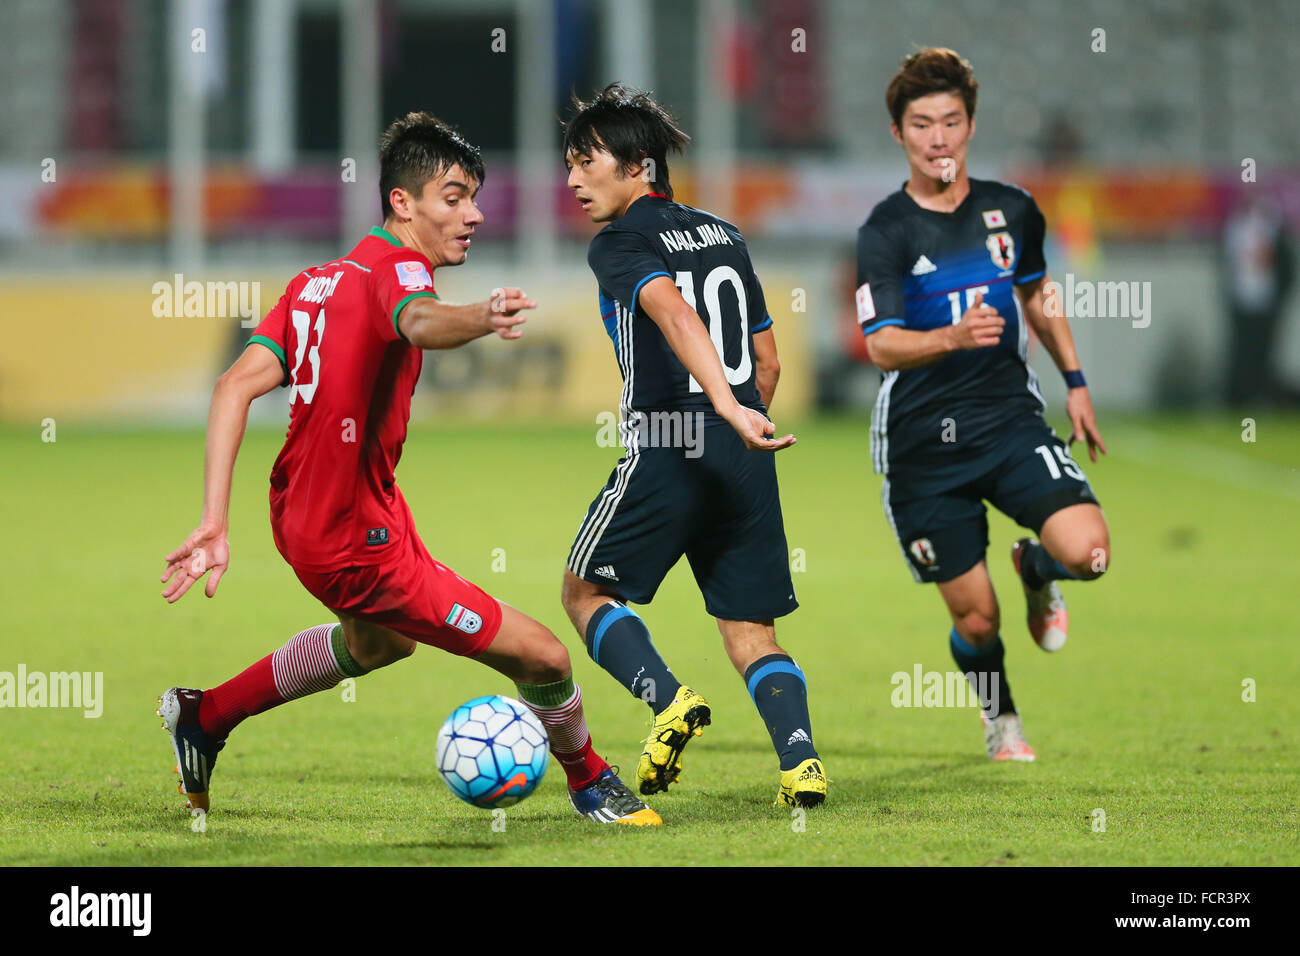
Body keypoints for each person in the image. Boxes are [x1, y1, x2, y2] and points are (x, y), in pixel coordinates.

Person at [158, 112, 660, 826]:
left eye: (474, 198)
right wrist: (483, 316)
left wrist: (215, 517)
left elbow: (233, 385)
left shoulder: (317, 282)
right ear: (403, 204)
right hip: (350, 540)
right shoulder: (399, 268)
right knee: (544, 656)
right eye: (454, 197)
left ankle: (204, 717)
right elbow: (420, 320)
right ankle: (591, 782)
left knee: (379, 642)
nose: (475, 214)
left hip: (313, 511)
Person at [559, 84, 826, 808]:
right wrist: (744, 417)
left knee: (584, 591)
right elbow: (767, 361)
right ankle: (800, 763)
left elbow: (672, 312)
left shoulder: (620, 242)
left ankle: (668, 699)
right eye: (569, 164)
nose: (575, 180)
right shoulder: (723, 232)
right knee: (750, 629)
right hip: (747, 450)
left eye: (588, 162)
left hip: (672, 441)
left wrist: (714, 409)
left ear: (639, 166)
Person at [855, 49, 1111, 760]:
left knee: (1089, 554)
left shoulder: (1013, 209)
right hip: (921, 449)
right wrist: (950, 336)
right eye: (921, 124)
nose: (937, 138)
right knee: (977, 620)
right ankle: (1001, 720)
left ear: (970, 126)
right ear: (899, 134)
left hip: (1007, 421)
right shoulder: (885, 232)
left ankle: (1040, 569)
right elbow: (880, 345)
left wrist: (1077, 380)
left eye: (951, 121)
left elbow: (1037, 292)